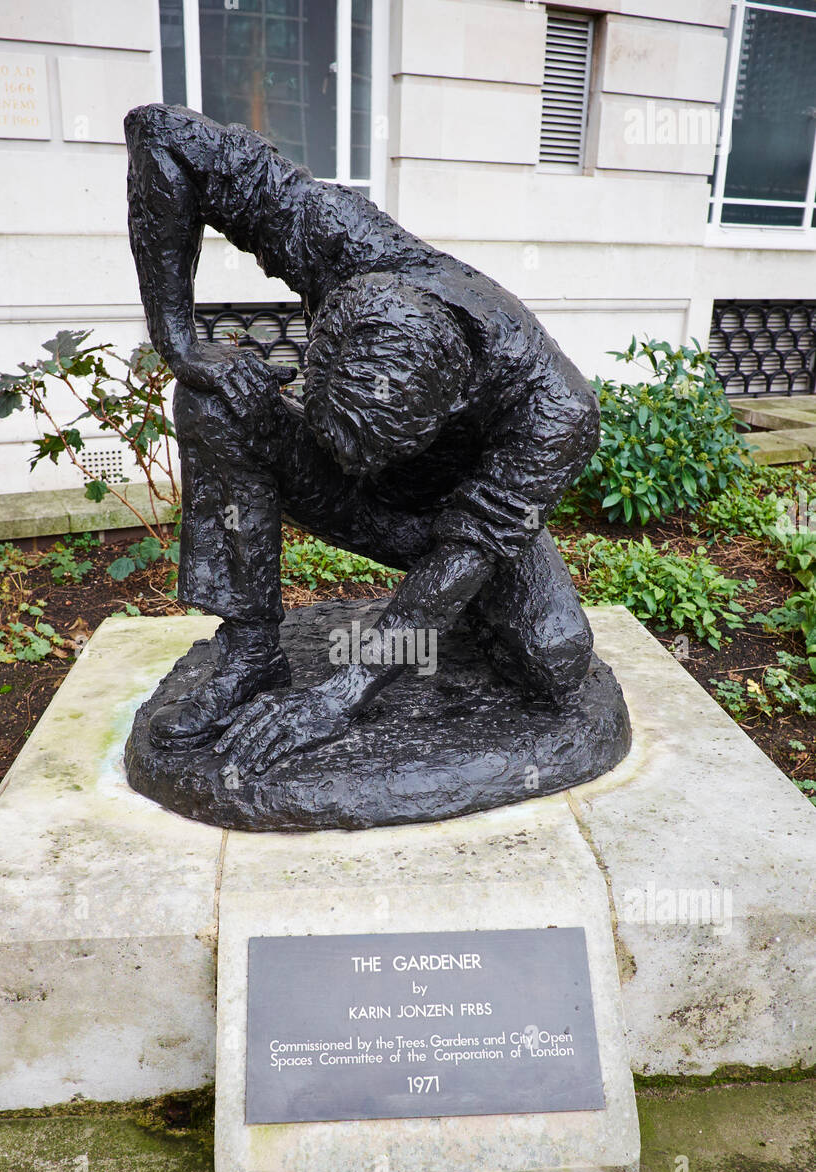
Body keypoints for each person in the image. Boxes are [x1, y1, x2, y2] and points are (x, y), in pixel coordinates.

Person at [124, 103, 600, 778]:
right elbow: (162, 136)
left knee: (555, 660)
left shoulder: (555, 409)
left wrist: (340, 696)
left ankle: (456, 623)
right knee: (215, 396)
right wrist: (176, 341)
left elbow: (469, 551)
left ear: (457, 399)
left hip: (457, 532)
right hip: (364, 499)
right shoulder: (336, 240)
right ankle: (252, 651)